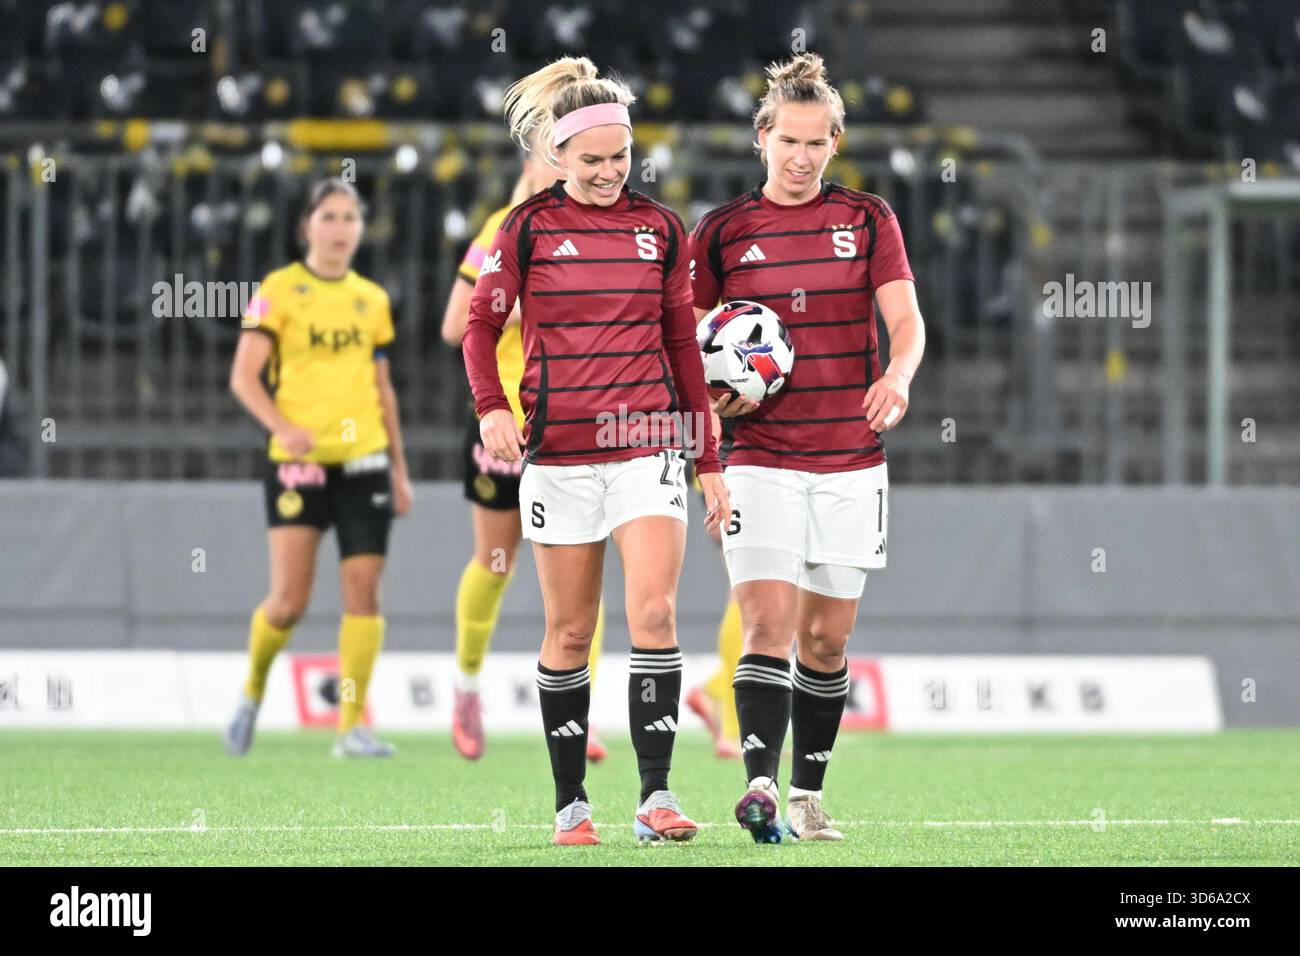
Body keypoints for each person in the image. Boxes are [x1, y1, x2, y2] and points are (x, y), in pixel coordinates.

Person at [463, 56, 731, 846]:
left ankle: (655, 799)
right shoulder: (526, 228)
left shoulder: (661, 230)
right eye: (592, 161)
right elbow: (480, 327)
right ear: (558, 156)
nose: (610, 172)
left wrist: (707, 457)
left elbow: (683, 344)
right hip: (560, 454)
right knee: (570, 633)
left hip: (648, 443)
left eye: (621, 158)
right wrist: (490, 410)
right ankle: (572, 805)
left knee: (654, 611)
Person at [688, 54, 926, 842]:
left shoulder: (868, 218)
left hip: (851, 456)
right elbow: (682, 341)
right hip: (759, 456)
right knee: (767, 627)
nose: (801, 157)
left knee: (828, 638)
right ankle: (759, 783)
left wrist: (897, 374)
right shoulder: (721, 231)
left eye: (816, 144)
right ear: (762, 137)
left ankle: (807, 796)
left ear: (834, 143)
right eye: (787, 141)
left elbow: (908, 322)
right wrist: (710, 407)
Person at [225, 177, 412, 758]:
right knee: (289, 601)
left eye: (350, 218)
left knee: (364, 593)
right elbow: (243, 376)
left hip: (364, 462)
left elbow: (383, 389)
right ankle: (252, 692)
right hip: (297, 467)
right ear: (307, 226)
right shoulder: (278, 290)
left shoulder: (372, 300)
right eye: (329, 217)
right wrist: (284, 428)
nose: (340, 229)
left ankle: (351, 727)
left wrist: (399, 469)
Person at [441, 143, 609, 764]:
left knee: (583, 579)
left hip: (570, 425)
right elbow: (456, 325)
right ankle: (465, 687)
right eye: (553, 158)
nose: (566, 172)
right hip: (503, 423)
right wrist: (511, 306)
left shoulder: (596, 229)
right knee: (495, 559)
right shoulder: (501, 230)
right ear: (531, 166)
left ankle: (580, 709)